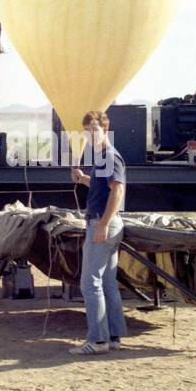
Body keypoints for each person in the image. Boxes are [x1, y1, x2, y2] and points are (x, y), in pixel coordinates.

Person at [69, 110, 127, 354]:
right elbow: (103, 187)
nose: (90, 135)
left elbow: (117, 191)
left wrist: (102, 224)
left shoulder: (110, 157)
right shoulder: (103, 157)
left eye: (94, 130)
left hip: (103, 223)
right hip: (109, 223)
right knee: (107, 282)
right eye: (87, 131)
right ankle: (113, 337)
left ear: (106, 128)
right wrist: (84, 179)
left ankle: (98, 341)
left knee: (89, 282)